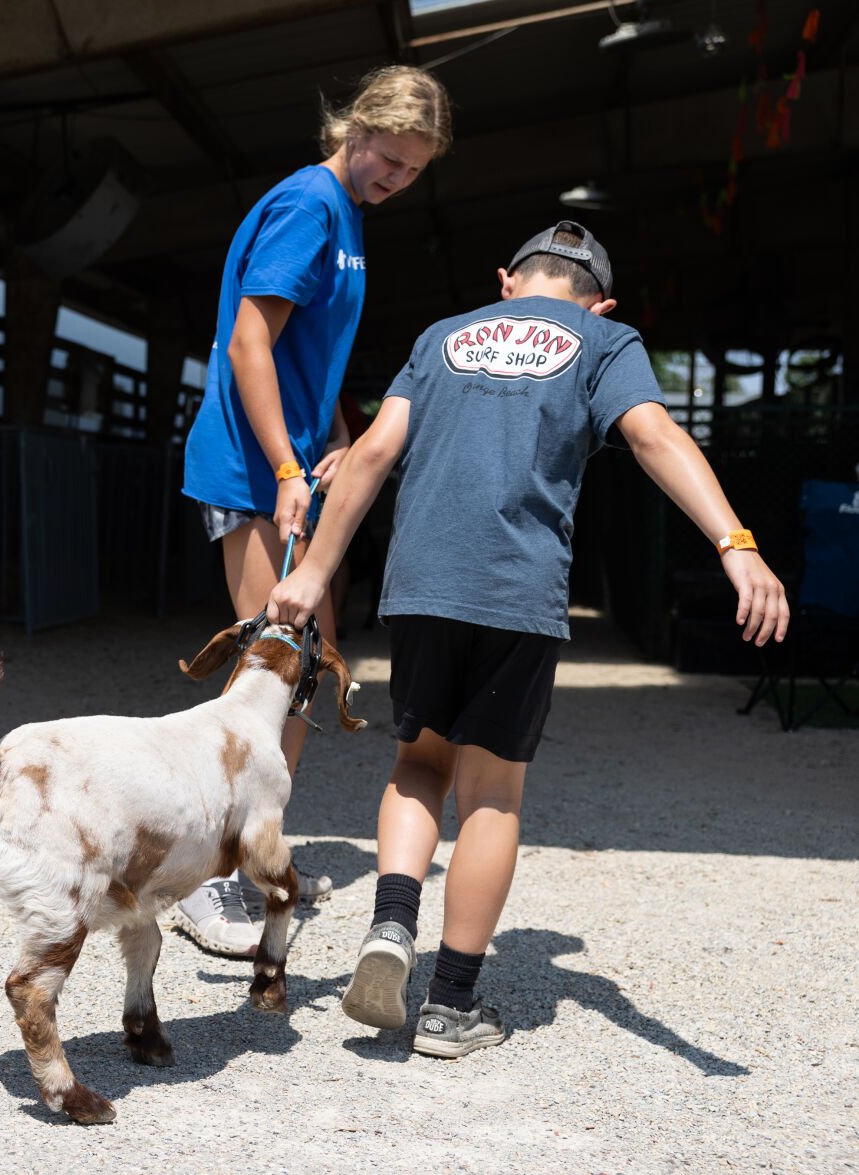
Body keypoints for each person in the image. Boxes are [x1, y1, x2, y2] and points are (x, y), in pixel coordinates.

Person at [267, 221, 789, 1056]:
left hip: (422, 586)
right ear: (601, 300)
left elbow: (368, 456)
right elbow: (654, 434)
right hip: (514, 592)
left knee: (418, 762)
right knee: (491, 794)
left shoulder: (440, 337)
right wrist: (737, 544)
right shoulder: (605, 339)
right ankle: (448, 1005)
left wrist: (313, 572)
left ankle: (393, 927)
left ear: (506, 281)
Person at [174, 64, 453, 958]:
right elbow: (248, 337)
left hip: (289, 461)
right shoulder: (307, 205)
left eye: (413, 171)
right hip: (252, 467)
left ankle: (252, 855)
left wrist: (332, 428)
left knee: (297, 669)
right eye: (391, 159)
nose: (396, 179)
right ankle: (203, 877)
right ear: (356, 128)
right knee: (264, 674)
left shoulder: (346, 218)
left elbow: (306, 354)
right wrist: (291, 461)